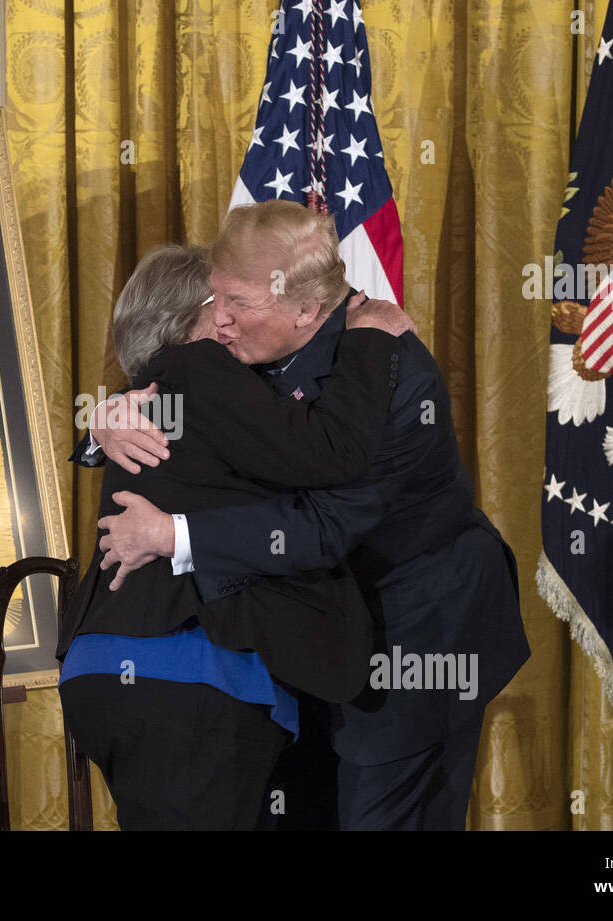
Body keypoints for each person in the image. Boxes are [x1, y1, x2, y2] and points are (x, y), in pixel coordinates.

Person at [87, 200, 531, 830]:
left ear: (303, 309)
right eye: (217, 300)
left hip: (414, 634)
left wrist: (171, 534)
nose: (220, 322)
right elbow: (194, 413)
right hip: (311, 640)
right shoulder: (249, 353)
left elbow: (320, 527)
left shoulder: (389, 373)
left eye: (238, 304)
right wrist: (107, 417)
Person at [57, 241, 405, 830]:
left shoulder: (149, 397)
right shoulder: (198, 369)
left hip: (112, 669)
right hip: (186, 676)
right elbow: (329, 454)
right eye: (226, 300)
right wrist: (372, 336)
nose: (234, 316)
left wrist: (99, 421)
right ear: (194, 315)